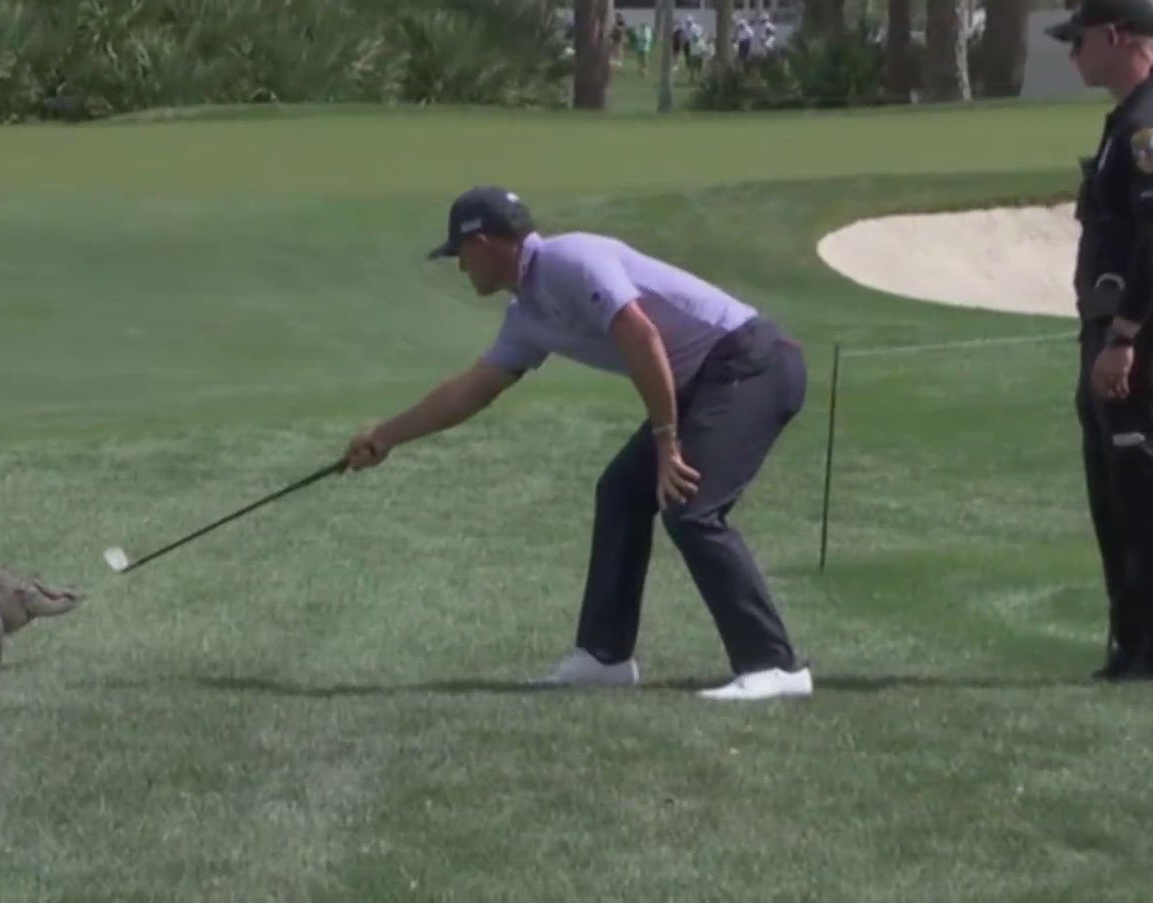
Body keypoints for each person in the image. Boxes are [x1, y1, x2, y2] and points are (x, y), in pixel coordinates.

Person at [343, 186, 813, 701]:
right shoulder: (528, 315)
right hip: (703, 381)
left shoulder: (569, 258)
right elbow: (470, 391)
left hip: (752, 363)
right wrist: (386, 436)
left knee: (691, 509)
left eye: (460, 254)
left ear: (483, 243)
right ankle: (604, 658)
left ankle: (776, 666)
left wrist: (666, 442)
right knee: (620, 494)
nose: (461, 267)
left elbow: (641, 335)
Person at [1048, 0, 1153, 679]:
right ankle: (1133, 643)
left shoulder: (1152, 127)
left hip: (1143, 343)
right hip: (1107, 336)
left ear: (1123, 37)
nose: (1073, 52)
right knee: (1114, 496)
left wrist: (1125, 336)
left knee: (1146, 490)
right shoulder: (1127, 120)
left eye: (1081, 39)